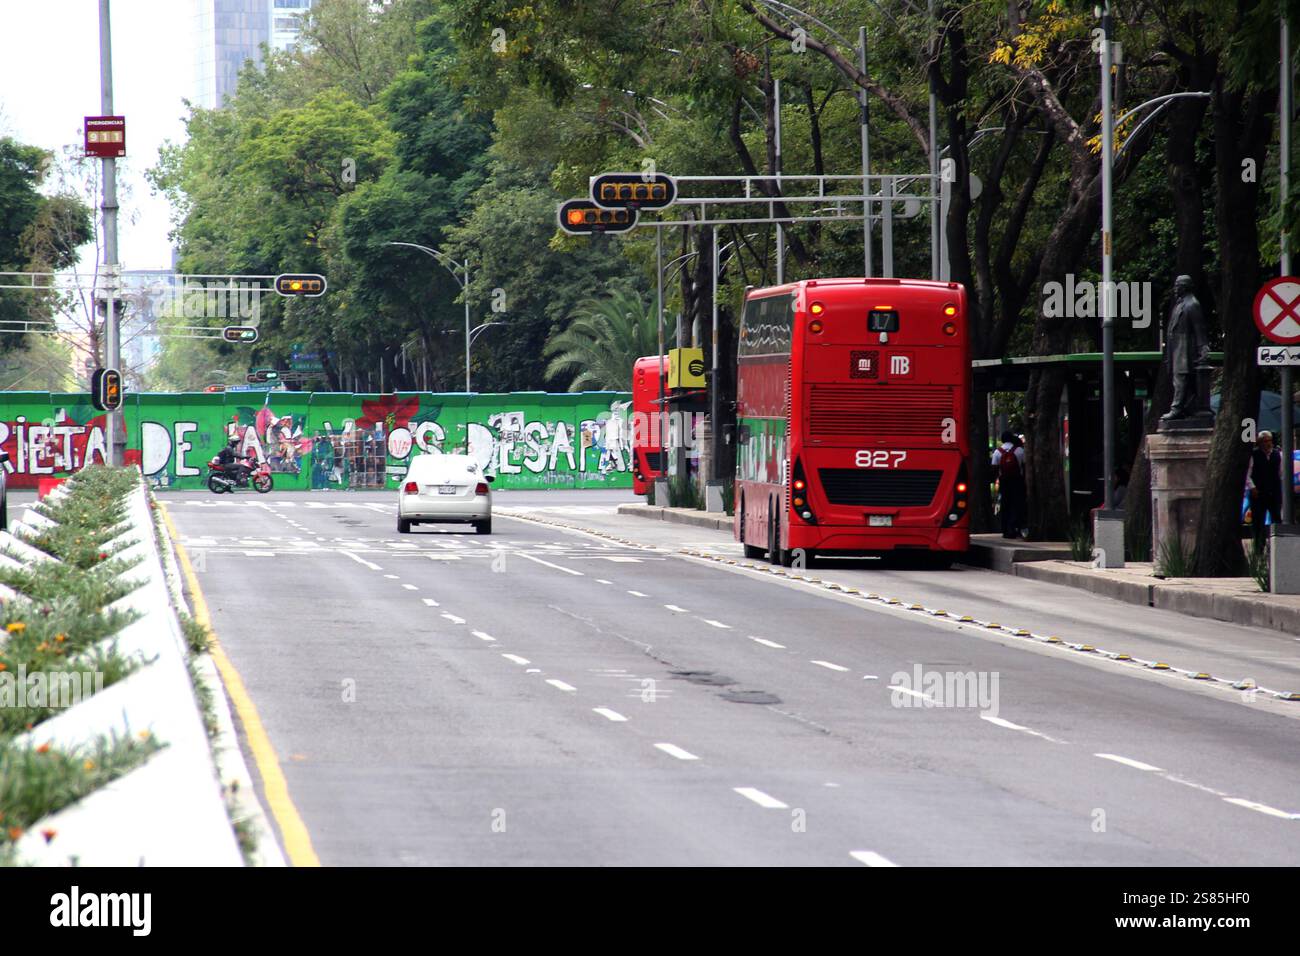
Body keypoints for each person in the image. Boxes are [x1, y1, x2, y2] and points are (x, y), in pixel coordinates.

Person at [1247, 430, 1283, 547]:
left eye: (1270, 441)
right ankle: (1259, 549)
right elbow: (1247, 474)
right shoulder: (1254, 455)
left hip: (1274, 492)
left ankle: (1278, 546)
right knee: (1258, 522)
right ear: (1260, 443)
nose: (1268, 444)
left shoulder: (1277, 455)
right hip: (1258, 493)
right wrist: (1252, 488)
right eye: (1265, 441)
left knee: (1276, 519)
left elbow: (1281, 473)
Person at [992, 430, 1027, 539]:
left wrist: (996, 482)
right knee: (1017, 504)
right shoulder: (1020, 450)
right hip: (1018, 481)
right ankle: (1016, 527)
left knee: (1005, 504)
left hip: (1004, 481)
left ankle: (1005, 530)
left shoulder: (997, 452)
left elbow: (994, 468)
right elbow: (1025, 466)